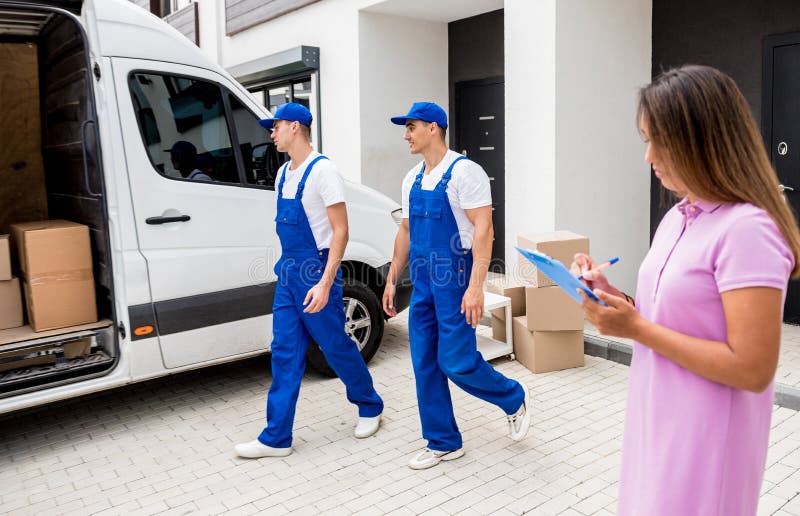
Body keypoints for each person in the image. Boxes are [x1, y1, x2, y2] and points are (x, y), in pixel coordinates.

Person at [572, 65, 800, 516]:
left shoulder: (748, 229)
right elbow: (677, 316)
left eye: (659, 141)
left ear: (703, 140)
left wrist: (636, 328)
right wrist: (617, 300)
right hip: (657, 416)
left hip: (707, 438)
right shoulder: (679, 216)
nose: (648, 156)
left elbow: (753, 368)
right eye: (645, 140)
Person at [382, 102, 530, 470]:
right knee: (424, 364)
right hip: (423, 281)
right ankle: (444, 441)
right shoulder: (411, 178)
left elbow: (485, 229)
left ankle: (512, 397)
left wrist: (476, 286)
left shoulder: (466, 172)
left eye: (411, 127)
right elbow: (405, 230)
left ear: (433, 128)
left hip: (455, 278)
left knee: (457, 362)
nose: (405, 135)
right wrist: (391, 277)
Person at [235, 103, 384, 458]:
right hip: (289, 273)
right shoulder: (283, 173)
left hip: (317, 272)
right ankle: (277, 437)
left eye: (276, 126)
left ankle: (370, 404)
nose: (271, 133)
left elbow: (341, 231)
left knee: (334, 345)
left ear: (296, 128)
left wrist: (324, 281)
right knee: (284, 352)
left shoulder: (323, 172)